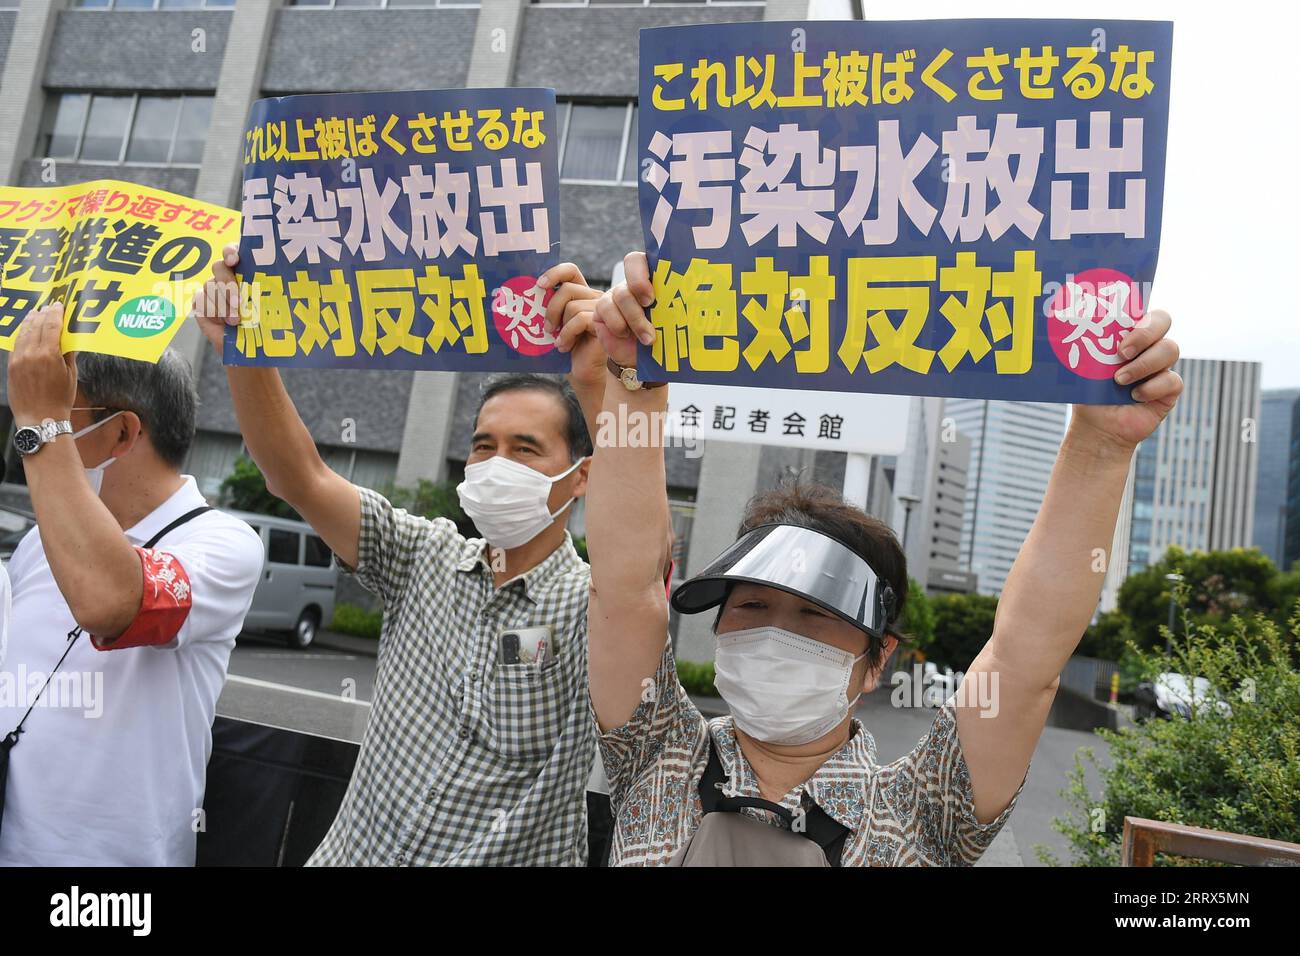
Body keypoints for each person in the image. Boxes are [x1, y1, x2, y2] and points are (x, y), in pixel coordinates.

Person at [585, 251, 1184, 866]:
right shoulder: (657, 745)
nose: (775, 633)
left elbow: (1023, 663)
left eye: (817, 615)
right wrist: (634, 382)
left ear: (877, 663)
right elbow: (626, 591)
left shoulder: (925, 808)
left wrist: (1100, 446)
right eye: (753, 605)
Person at [193, 245, 611, 865]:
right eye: (482, 446)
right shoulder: (421, 556)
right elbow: (298, 476)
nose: (497, 464)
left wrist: (607, 386)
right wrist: (242, 341)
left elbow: (638, 567)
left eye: (525, 450)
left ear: (580, 476)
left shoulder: (594, 607)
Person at [0, 303, 264, 866]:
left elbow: (112, 602)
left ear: (121, 433)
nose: (33, 443)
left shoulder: (223, 544)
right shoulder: (37, 543)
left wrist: (37, 428)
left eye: (57, 416)